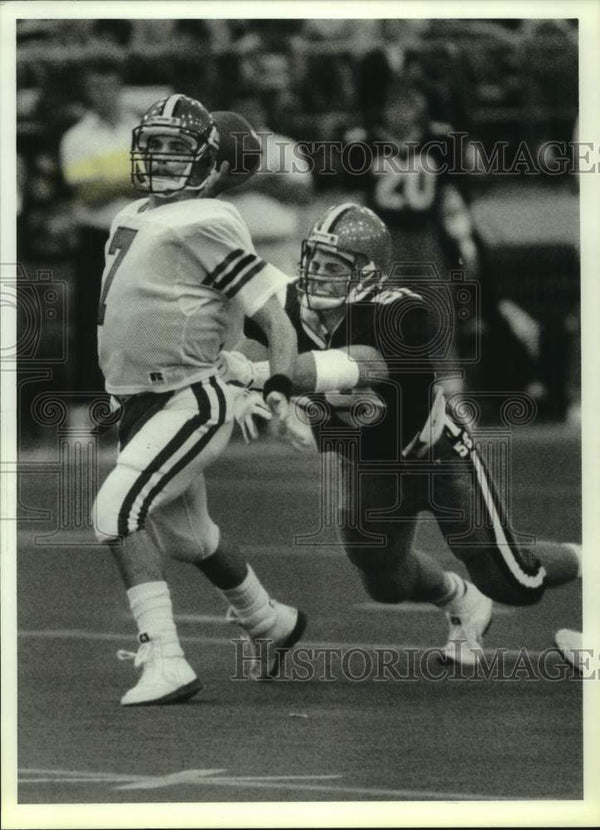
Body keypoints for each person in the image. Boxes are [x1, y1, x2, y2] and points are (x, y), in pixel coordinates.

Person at [220, 202, 582, 664]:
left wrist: (259, 379)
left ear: (370, 273)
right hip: (367, 463)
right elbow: (244, 346)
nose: (316, 276)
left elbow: (354, 363)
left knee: (512, 582)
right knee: (384, 580)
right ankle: (461, 600)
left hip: (435, 454)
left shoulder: (400, 310)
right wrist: (235, 385)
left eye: (334, 267)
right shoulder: (288, 307)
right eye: (313, 262)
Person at [92, 94, 305, 706]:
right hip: (139, 401)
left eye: (176, 148)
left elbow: (277, 319)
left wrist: (282, 392)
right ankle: (271, 621)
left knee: (115, 511)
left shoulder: (207, 217)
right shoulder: (132, 211)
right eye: (153, 144)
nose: (159, 158)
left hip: (187, 399)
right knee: (191, 541)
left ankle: (166, 659)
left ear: (211, 164)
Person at [59, 52, 139, 406]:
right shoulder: (76, 138)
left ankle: (135, 405)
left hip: (139, 235)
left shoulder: (140, 129)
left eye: (109, 84)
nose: (103, 92)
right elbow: (87, 195)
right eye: (96, 86)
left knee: (140, 319)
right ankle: (84, 410)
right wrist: (128, 179)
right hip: (96, 240)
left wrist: (110, 181)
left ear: (119, 86)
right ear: (87, 91)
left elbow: (153, 183)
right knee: (93, 323)